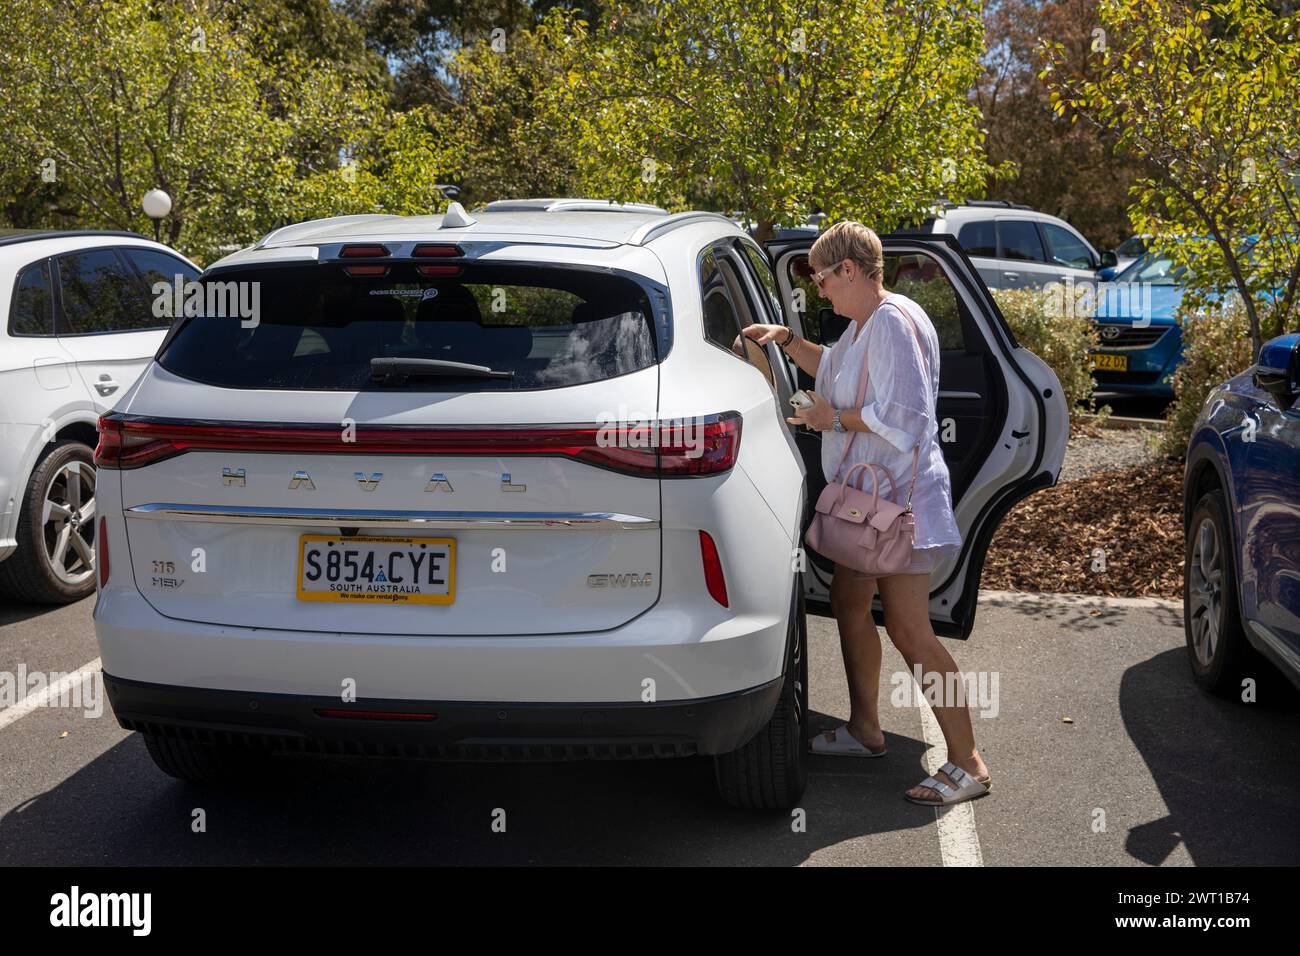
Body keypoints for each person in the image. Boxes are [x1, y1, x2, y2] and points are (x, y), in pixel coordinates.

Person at [740, 221, 992, 806]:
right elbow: (833, 370)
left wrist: (832, 421)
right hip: (867, 505)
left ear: (848, 270)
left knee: (909, 629)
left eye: (822, 279)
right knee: (851, 599)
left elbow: (904, 419)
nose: (819, 291)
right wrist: (786, 342)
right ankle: (865, 729)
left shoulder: (894, 325)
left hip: (897, 505)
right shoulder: (864, 326)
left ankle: (969, 762)